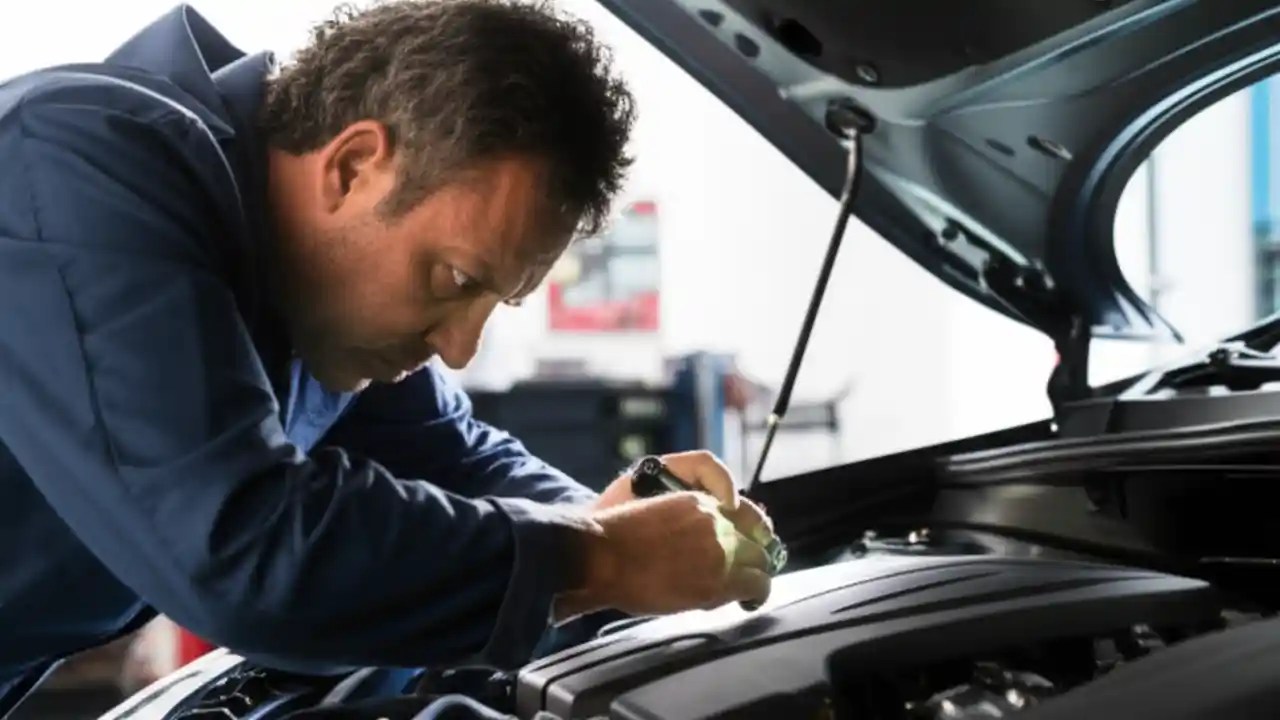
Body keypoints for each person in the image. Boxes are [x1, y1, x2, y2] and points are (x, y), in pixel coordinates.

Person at [0, 1, 778, 716]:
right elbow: (238, 548)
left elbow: (453, 459)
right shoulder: (79, 166)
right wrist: (597, 560)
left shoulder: (310, 299)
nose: (460, 347)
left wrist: (622, 520)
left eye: (493, 303)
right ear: (351, 167)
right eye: (456, 280)